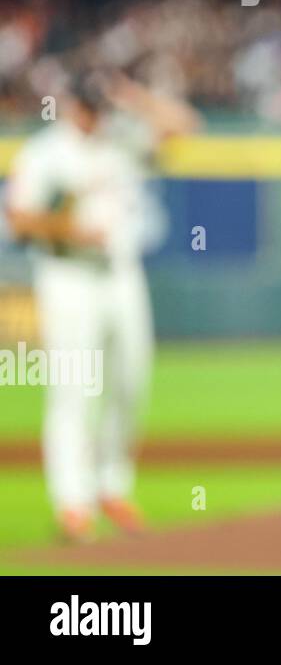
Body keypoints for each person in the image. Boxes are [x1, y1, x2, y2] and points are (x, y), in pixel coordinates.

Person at [5, 68, 201, 542]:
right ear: (72, 105)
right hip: (68, 276)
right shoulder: (45, 152)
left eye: (105, 106)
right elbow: (18, 219)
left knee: (129, 383)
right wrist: (70, 230)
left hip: (121, 275)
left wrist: (133, 95)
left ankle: (112, 487)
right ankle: (73, 502)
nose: (99, 115)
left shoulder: (122, 140)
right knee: (75, 391)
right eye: (93, 106)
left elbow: (187, 126)